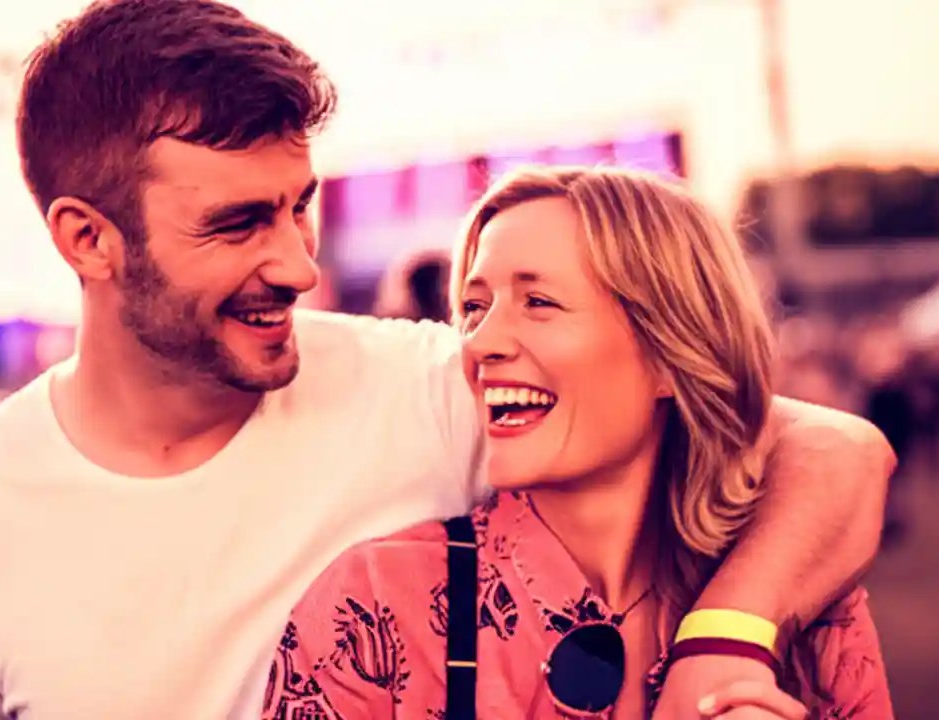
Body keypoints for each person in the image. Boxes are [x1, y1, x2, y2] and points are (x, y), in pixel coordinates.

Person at [0, 2, 893, 718]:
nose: (296, 262)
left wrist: (725, 640)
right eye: (236, 225)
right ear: (86, 240)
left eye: (298, 205)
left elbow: (834, 453)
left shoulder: (416, 389)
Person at [265, 167, 892, 719]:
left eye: (539, 303)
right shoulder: (377, 605)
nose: (480, 343)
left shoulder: (805, 606)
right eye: (475, 307)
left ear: (671, 354)